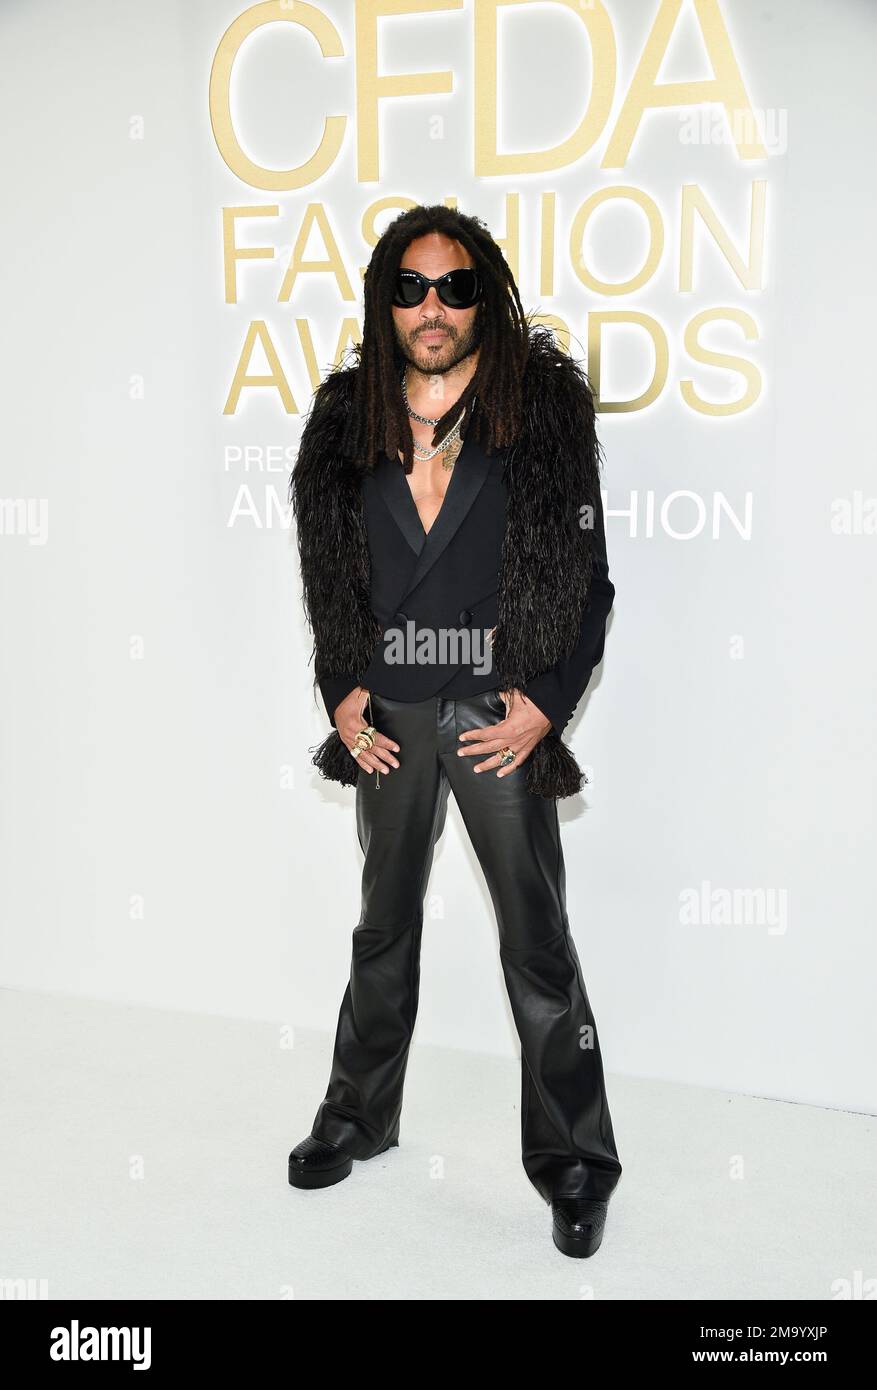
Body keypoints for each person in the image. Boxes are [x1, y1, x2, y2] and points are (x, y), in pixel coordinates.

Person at [287, 204, 622, 1258]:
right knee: (381, 925)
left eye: (456, 286)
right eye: (412, 287)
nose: (433, 307)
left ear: (486, 297)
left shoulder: (539, 410)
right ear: (385, 300)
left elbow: (589, 579)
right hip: (388, 713)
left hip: (493, 714)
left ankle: (575, 1162)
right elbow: (328, 572)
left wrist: (544, 702)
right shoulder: (347, 419)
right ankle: (357, 1116)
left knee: (535, 940)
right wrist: (340, 687)